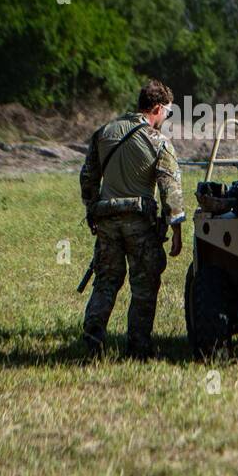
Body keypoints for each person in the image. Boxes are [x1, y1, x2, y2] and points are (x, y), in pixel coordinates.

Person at [79, 80, 185, 358]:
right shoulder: (158, 141)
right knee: (144, 286)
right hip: (140, 224)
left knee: (106, 281)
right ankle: (138, 348)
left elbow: (88, 177)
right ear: (158, 108)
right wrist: (176, 228)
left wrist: (93, 209)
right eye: (168, 113)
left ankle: (93, 341)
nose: (166, 119)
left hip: (106, 220)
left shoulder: (105, 132)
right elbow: (169, 188)